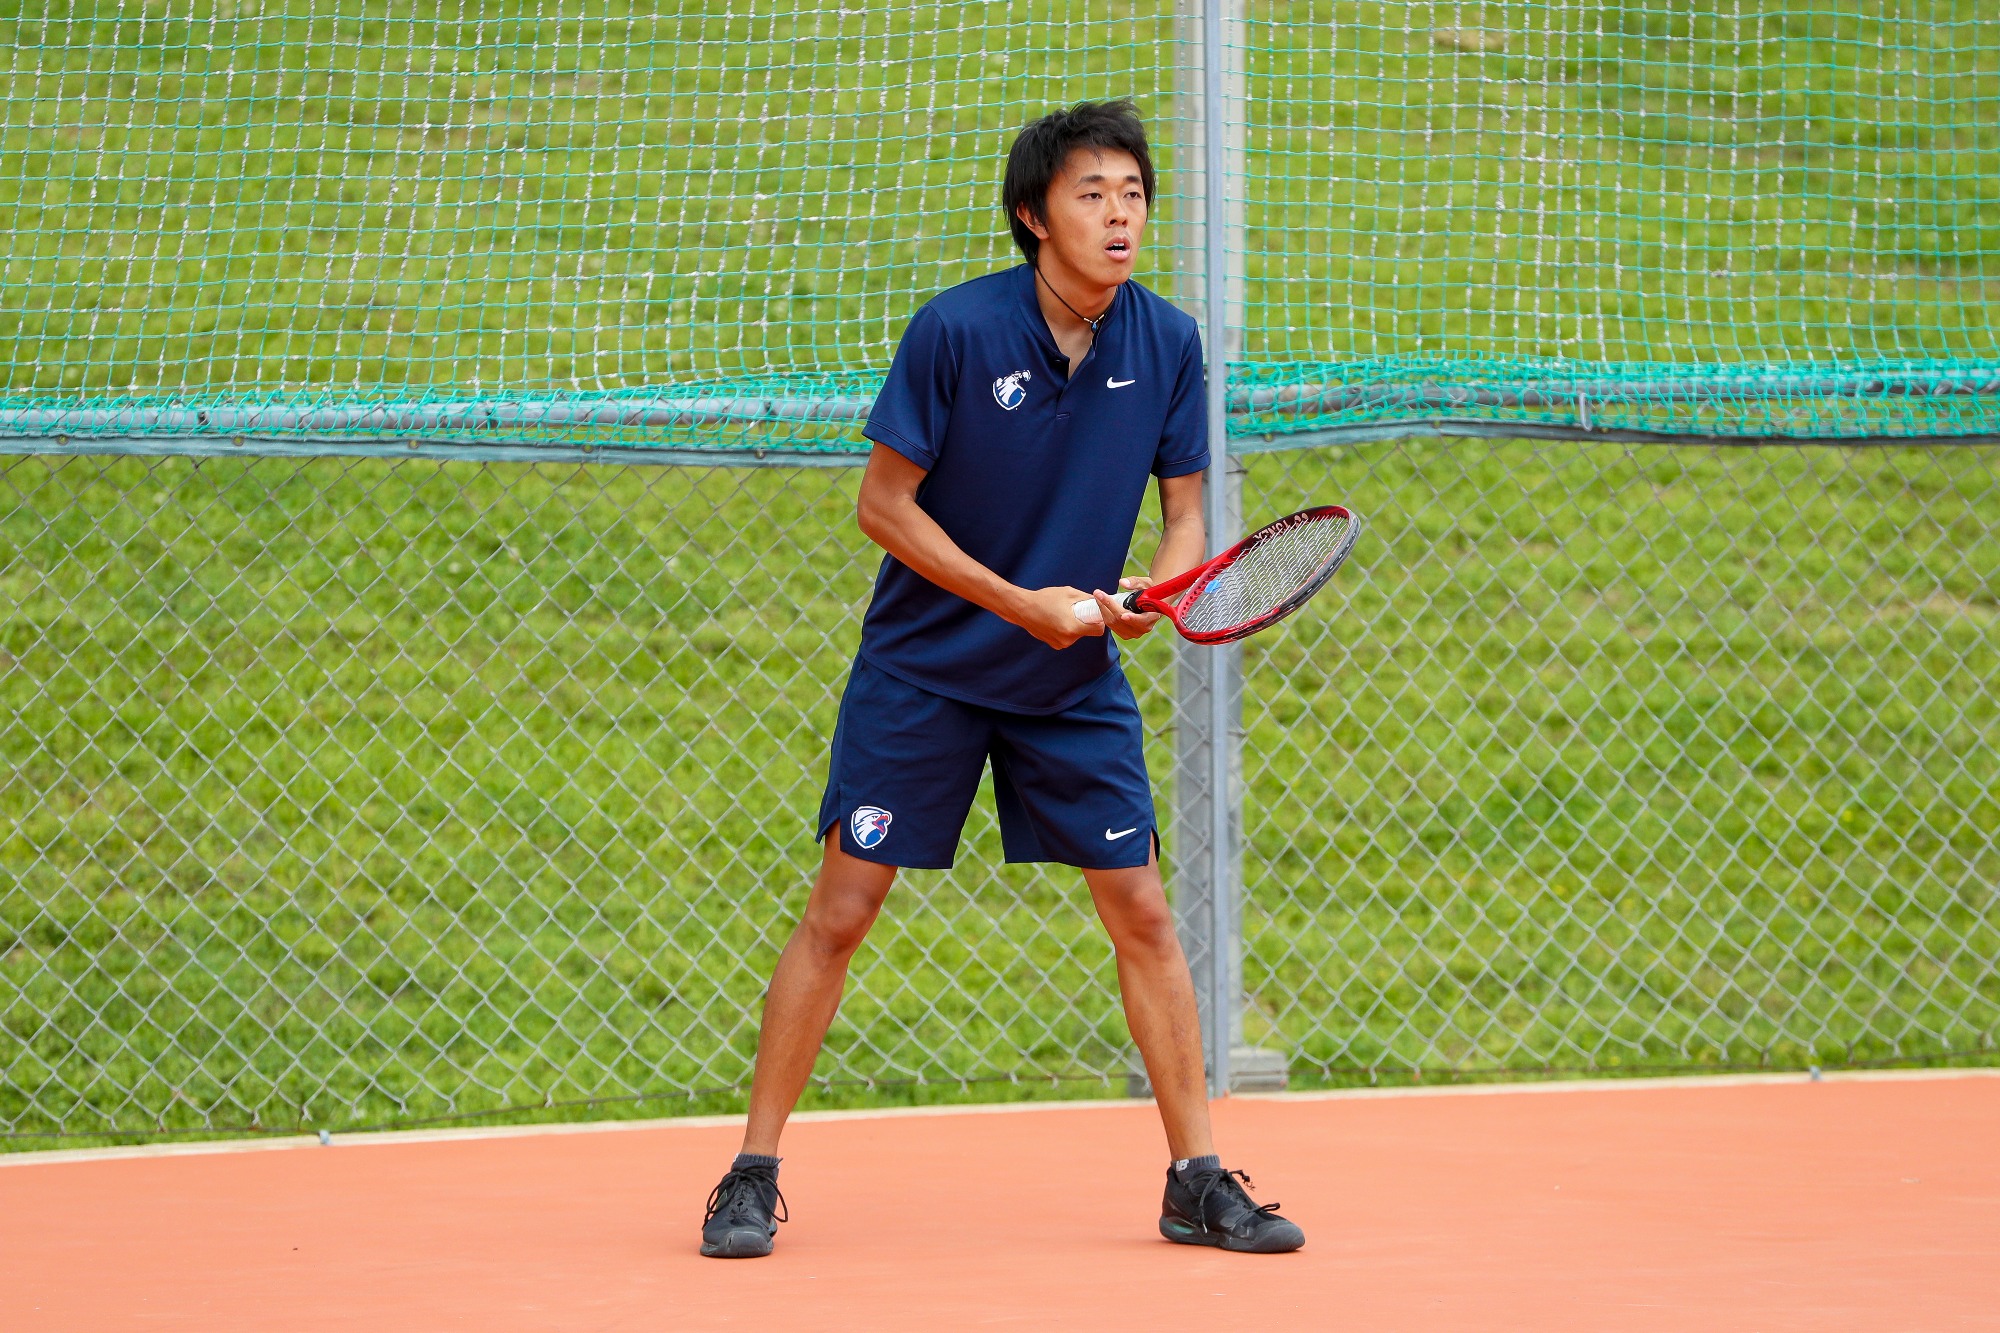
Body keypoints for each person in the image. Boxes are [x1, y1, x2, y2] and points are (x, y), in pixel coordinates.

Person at [699, 99, 1303, 1259]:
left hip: (1071, 684)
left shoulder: (1168, 343)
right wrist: (1020, 603)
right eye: (1091, 194)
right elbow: (883, 506)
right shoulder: (956, 331)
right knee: (842, 909)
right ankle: (749, 1171)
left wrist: (1159, 590)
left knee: (1142, 911)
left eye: (1132, 194)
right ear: (1033, 215)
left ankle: (1195, 1178)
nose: (1118, 216)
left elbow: (1184, 510)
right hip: (923, 671)